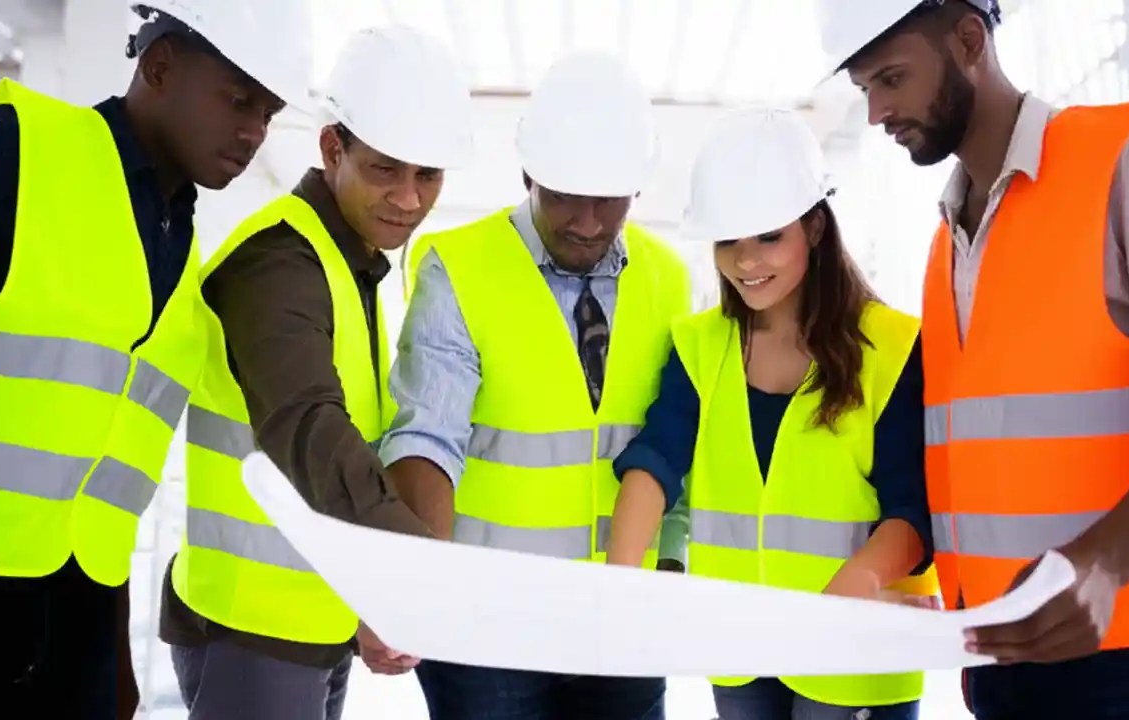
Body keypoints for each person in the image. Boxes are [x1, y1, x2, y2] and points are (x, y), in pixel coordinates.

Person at [819, 0, 1129, 717]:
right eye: (864, 89)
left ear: (970, 39)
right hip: (1003, 665)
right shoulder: (946, 245)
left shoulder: (1124, 162)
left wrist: (1105, 561)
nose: (876, 112)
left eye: (892, 79)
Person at [0, 1, 309, 717]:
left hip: (76, 629)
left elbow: (101, 469)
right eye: (239, 101)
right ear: (160, 66)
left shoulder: (177, 240)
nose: (253, 133)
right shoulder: (10, 148)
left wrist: (110, 653)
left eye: (269, 113)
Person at [158, 25, 473, 720]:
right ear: (334, 148)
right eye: (387, 169)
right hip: (251, 629)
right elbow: (310, 425)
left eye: (428, 175)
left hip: (309, 622)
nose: (410, 199)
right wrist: (414, 576)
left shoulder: (346, 260)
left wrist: (371, 593)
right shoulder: (279, 264)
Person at [380, 52, 692, 720]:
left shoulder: (669, 279)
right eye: (562, 196)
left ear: (637, 187)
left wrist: (668, 569)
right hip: (486, 631)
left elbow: (678, 442)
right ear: (527, 173)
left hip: (623, 624)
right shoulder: (458, 267)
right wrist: (416, 585)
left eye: (604, 199)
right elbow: (425, 437)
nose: (584, 220)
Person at [604, 108, 937, 720]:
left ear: (813, 228)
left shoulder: (892, 346)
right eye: (728, 240)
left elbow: (913, 506)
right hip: (739, 643)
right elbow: (655, 462)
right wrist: (619, 586)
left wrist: (858, 585)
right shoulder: (699, 345)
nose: (746, 261)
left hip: (853, 650)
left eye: (767, 236)